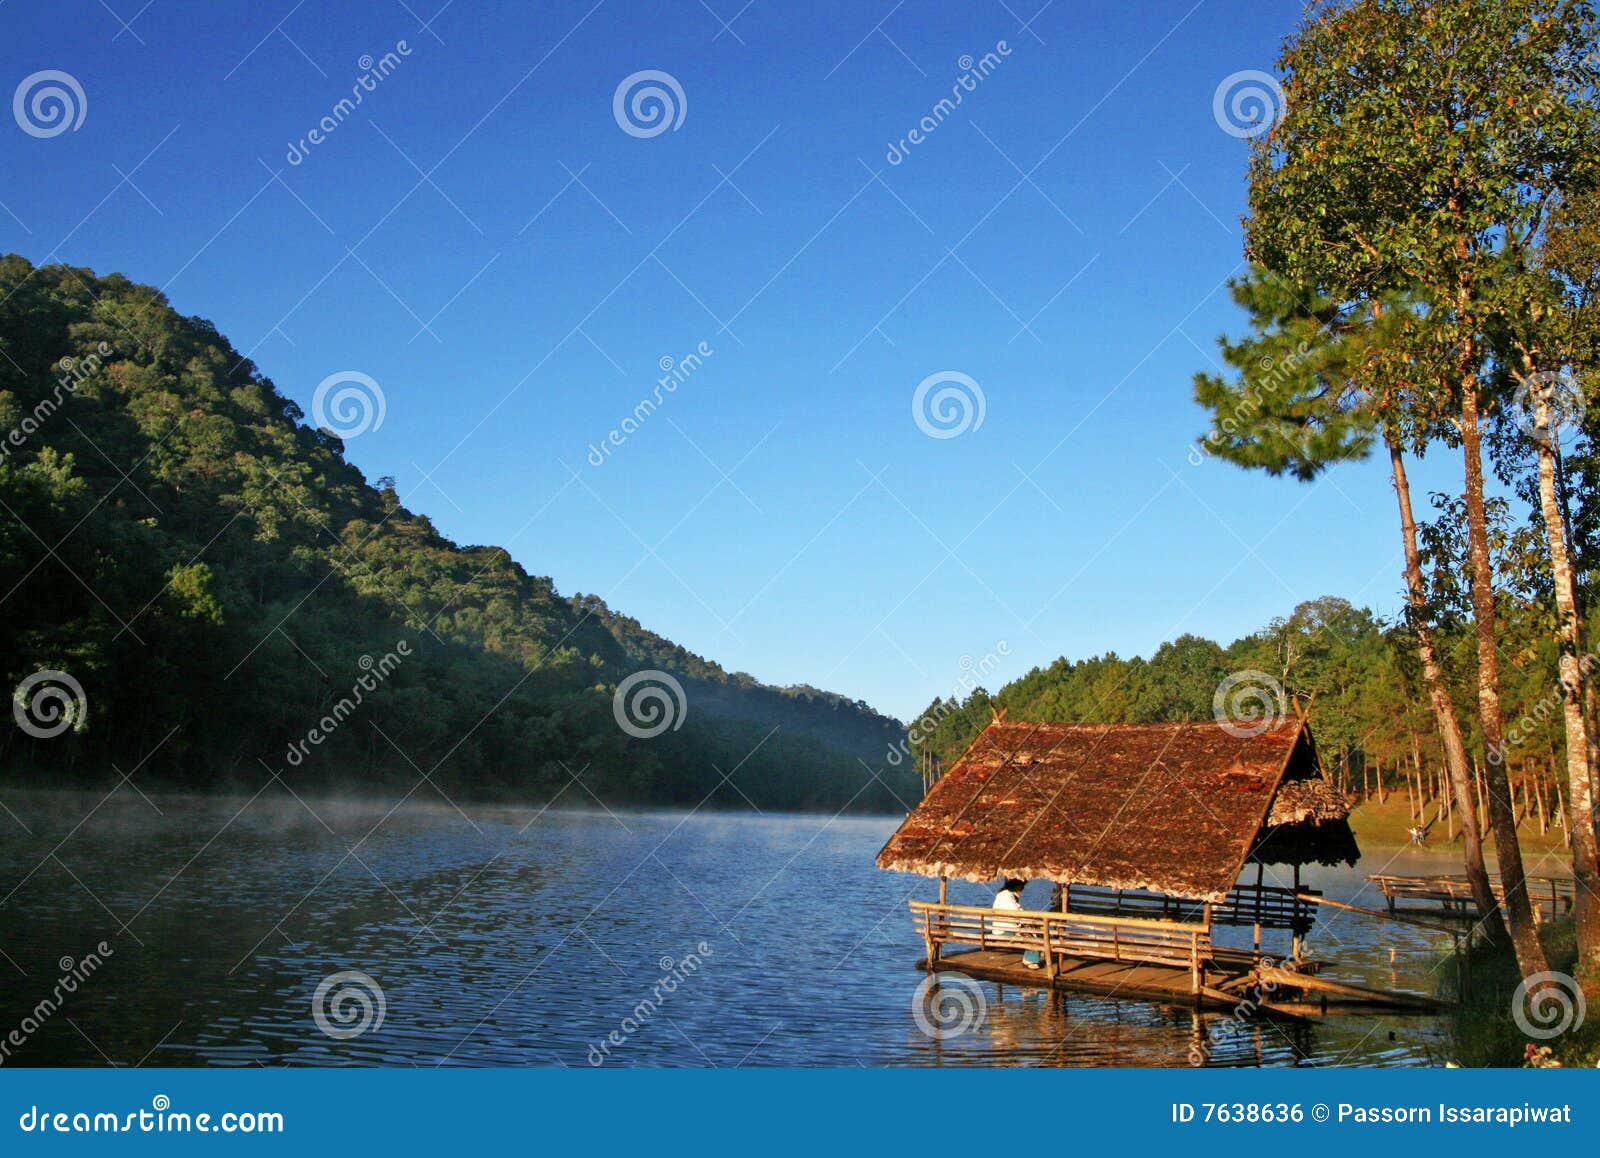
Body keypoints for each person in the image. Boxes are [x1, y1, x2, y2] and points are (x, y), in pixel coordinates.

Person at [992, 878, 1044, 970]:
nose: (1022, 890)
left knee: (1032, 931)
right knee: (1032, 935)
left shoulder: (1002, 894)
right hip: (1005, 930)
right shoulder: (1008, 896)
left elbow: (1016, 913)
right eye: (1022, 887)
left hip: (1001, 928)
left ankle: (1029, 958)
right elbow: (1016, 913)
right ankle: (1029, 961)